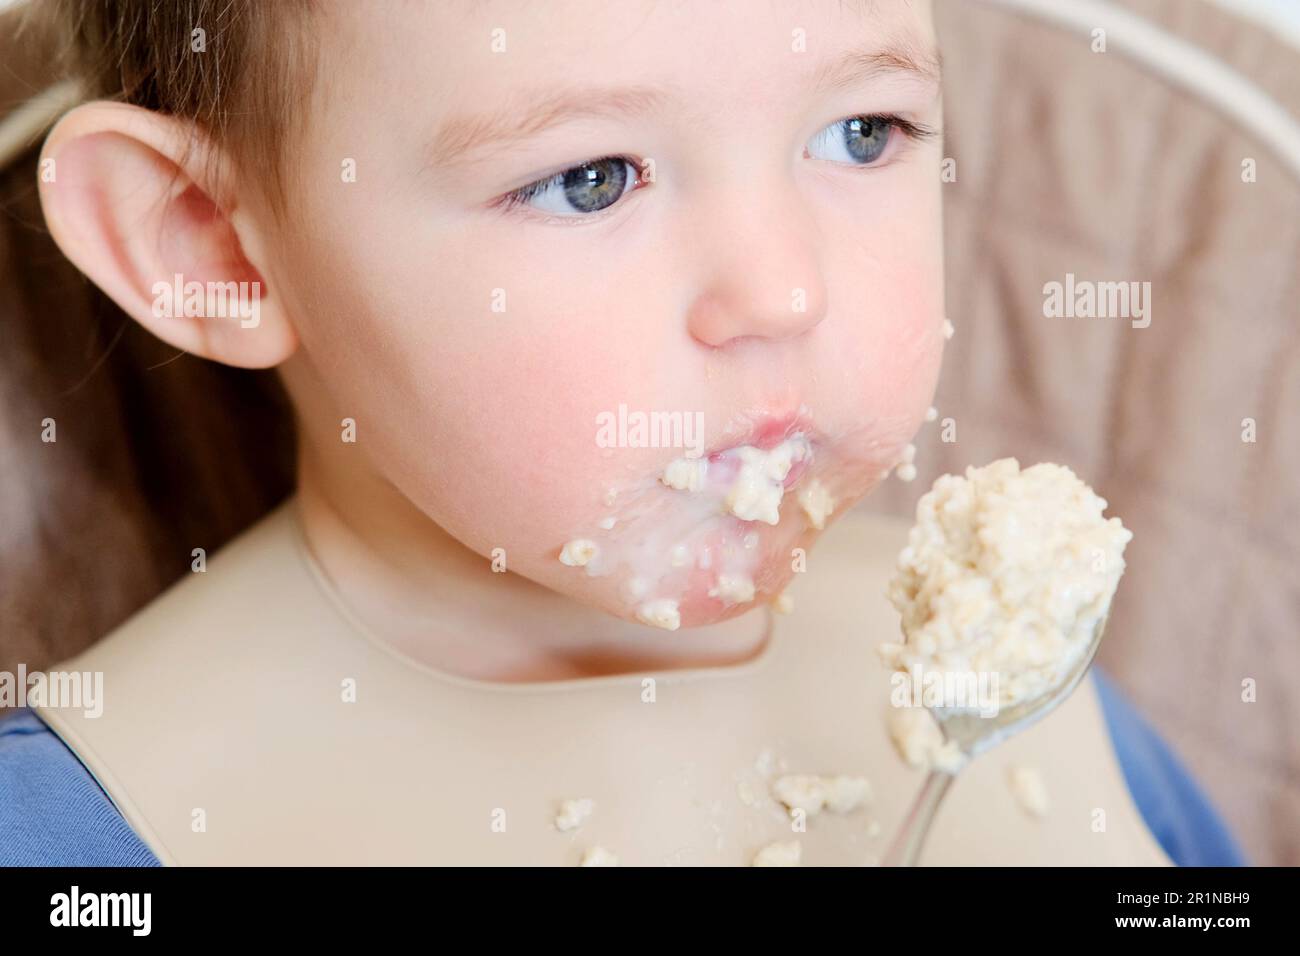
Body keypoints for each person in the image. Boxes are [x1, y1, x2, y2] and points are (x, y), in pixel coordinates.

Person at [0, 0, 1244, 866]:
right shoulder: (79, 829)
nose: (782, 291)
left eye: (862, 132)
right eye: (590, 176)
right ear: (209, 245)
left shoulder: (1024, 677)